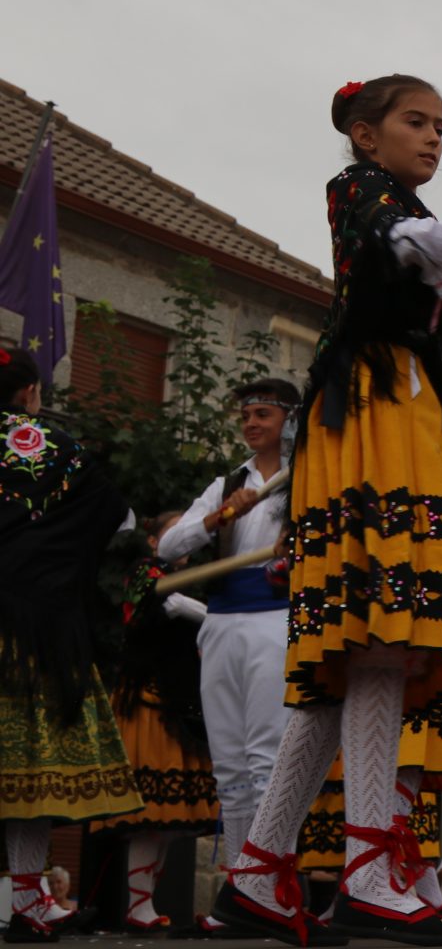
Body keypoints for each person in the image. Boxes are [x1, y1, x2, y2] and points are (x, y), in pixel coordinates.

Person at [211, 75, 442, 947]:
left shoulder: (433, 271)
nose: (434, 137)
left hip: (402, 420)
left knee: (351, 651)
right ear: (366, 136)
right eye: (417, 121)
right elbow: (411, 244)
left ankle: (257, 870)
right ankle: (368, 872)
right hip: (369, 416)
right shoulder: (362, 196)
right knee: (381, 639)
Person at [0, 350, 143, 942]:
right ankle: (30, 904)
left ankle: (31, 904)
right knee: (27, 774)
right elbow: (121, 517)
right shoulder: (51, 444)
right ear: (30, 391)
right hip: (32, 631)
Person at [157, 378, 301, 925]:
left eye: (262, 413)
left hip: (275, 619)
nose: (251, 424)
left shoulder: (308, 479)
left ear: (289, 419)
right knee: (231, 770)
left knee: (267, 761)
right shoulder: (226, 484)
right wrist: (222, 516)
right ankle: (241, 893)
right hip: (220, 625)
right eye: (245, 415)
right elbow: (171, 546)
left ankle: (265, 886)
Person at [90, 513, 221, 934]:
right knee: (152, 812)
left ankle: (144, 904)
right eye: (173, 532)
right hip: (149, 703)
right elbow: (153, 610)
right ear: (152, 539)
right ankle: (138, 905)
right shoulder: (146, 572)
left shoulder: (181, 581)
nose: (184, 542)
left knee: (166, 818)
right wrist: (204, 614)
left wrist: (203, 615)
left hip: (174, 705)